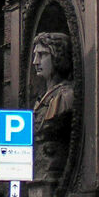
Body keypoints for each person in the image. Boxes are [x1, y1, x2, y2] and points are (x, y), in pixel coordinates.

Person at [31, 32, 74, 179]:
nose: (35, 62)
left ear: (57, 58)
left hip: (55, 167)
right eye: (35, 55)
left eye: (42, 55)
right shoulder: (42, 98)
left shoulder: (66, 96)